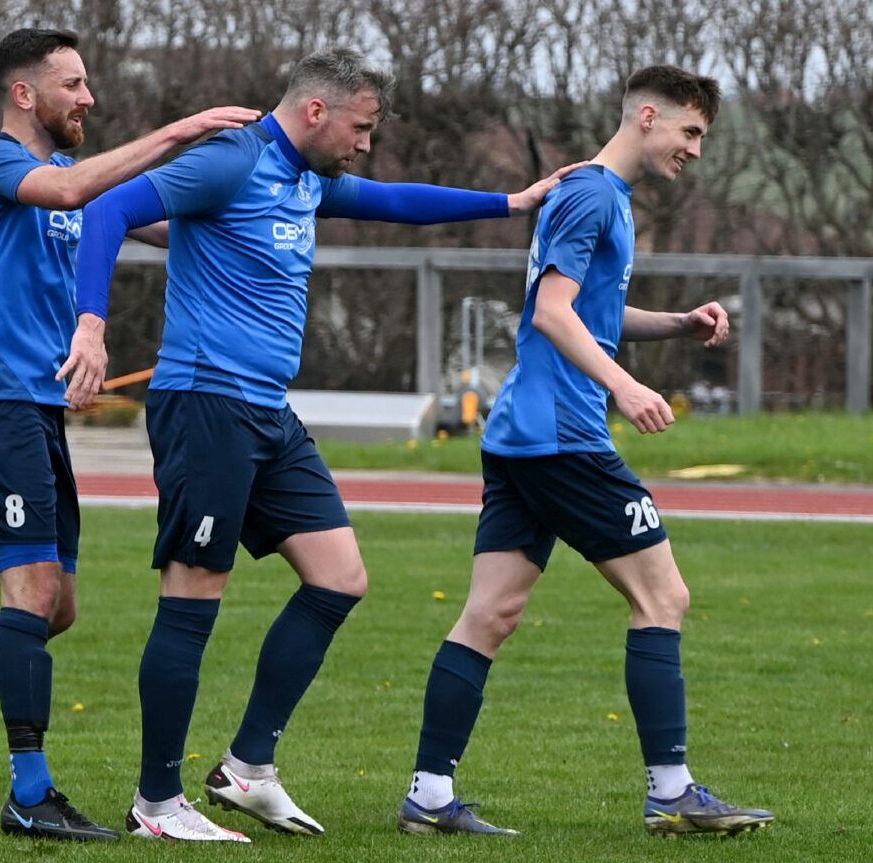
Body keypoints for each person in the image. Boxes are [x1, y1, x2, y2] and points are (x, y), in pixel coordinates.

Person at [61, 48, 577, 841]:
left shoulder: (309, 178)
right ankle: (157, 803)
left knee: (339, 576)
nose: (365, 142)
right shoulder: (232, 160)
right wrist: (90, 325)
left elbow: (396, 201)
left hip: (266, 413)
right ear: (313, 112)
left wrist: (514, 201)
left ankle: (246, 766)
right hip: (205, 405)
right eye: (360, 126)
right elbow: (105, 211)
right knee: (193, 595)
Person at [0, 28, 259, 839]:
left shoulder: (74, 179)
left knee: (58, 607)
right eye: (72, 84)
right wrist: (182, 131)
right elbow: (75, 193)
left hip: (30, 405)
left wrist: (263, 200)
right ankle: (28, 794)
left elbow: (154, 219)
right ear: (22, 94)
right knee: (30, 593)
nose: (88, 98)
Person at [396, 65, 775, 837]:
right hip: (564, 437)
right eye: (689, 132)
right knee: (661, 598)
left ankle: (428, 795)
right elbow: (551, 313)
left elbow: (590, 311)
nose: (694, 150)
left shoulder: (598, 197)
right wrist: (626, 388)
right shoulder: (594, 194)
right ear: (646, 116)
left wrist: (674, 324)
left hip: (520, 438)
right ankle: (670, 789)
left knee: (489, 614)